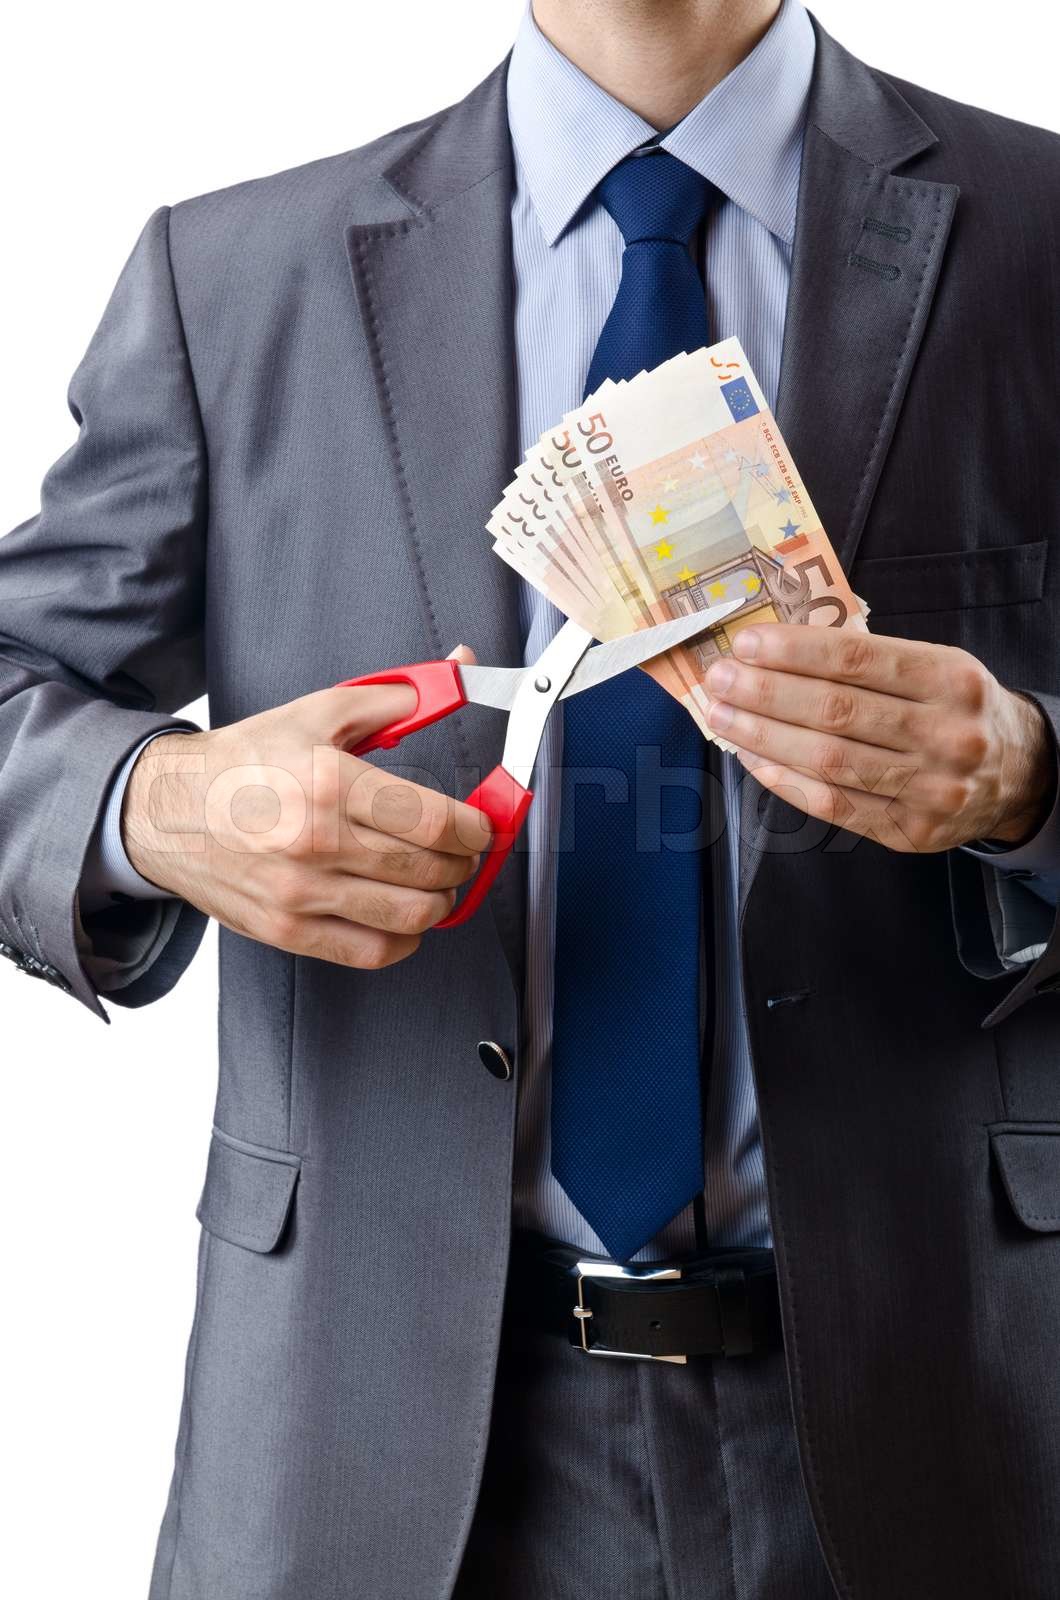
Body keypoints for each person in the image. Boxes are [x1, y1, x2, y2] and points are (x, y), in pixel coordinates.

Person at [2, 1, 1059, 1594]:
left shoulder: (1043, 234)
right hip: (365, 1441)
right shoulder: (231, 278)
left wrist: (1031, 775)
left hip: (956, 1412)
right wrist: (158, 802)